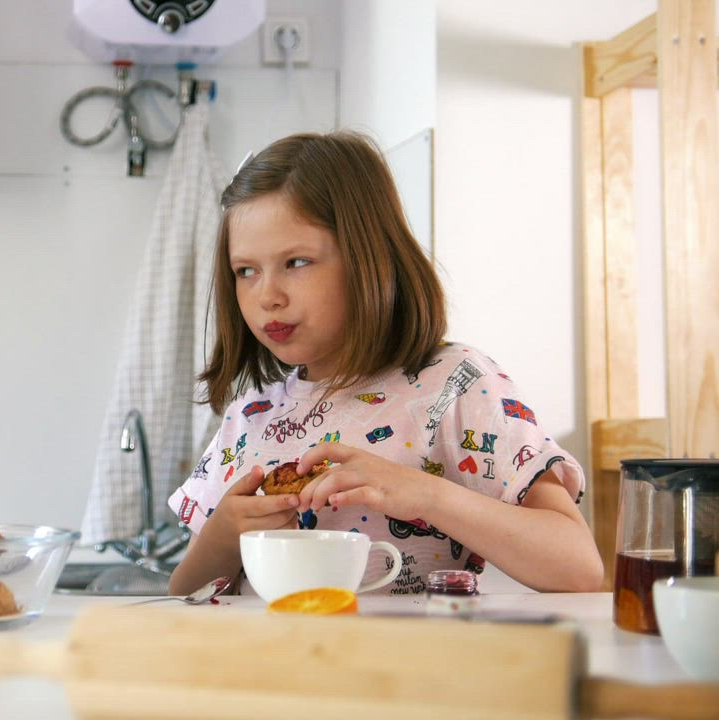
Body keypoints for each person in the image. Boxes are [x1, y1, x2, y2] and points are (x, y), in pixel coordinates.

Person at [166, 131, 603, 597]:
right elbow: (182, 597)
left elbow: (579, 568)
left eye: (296, 261)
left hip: (405, 668)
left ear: (367, 258)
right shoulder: (249, 416)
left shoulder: (455, 384)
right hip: (273, 668)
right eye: (245, 271)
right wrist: (220, 540)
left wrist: (423, 493)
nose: (267, 296)